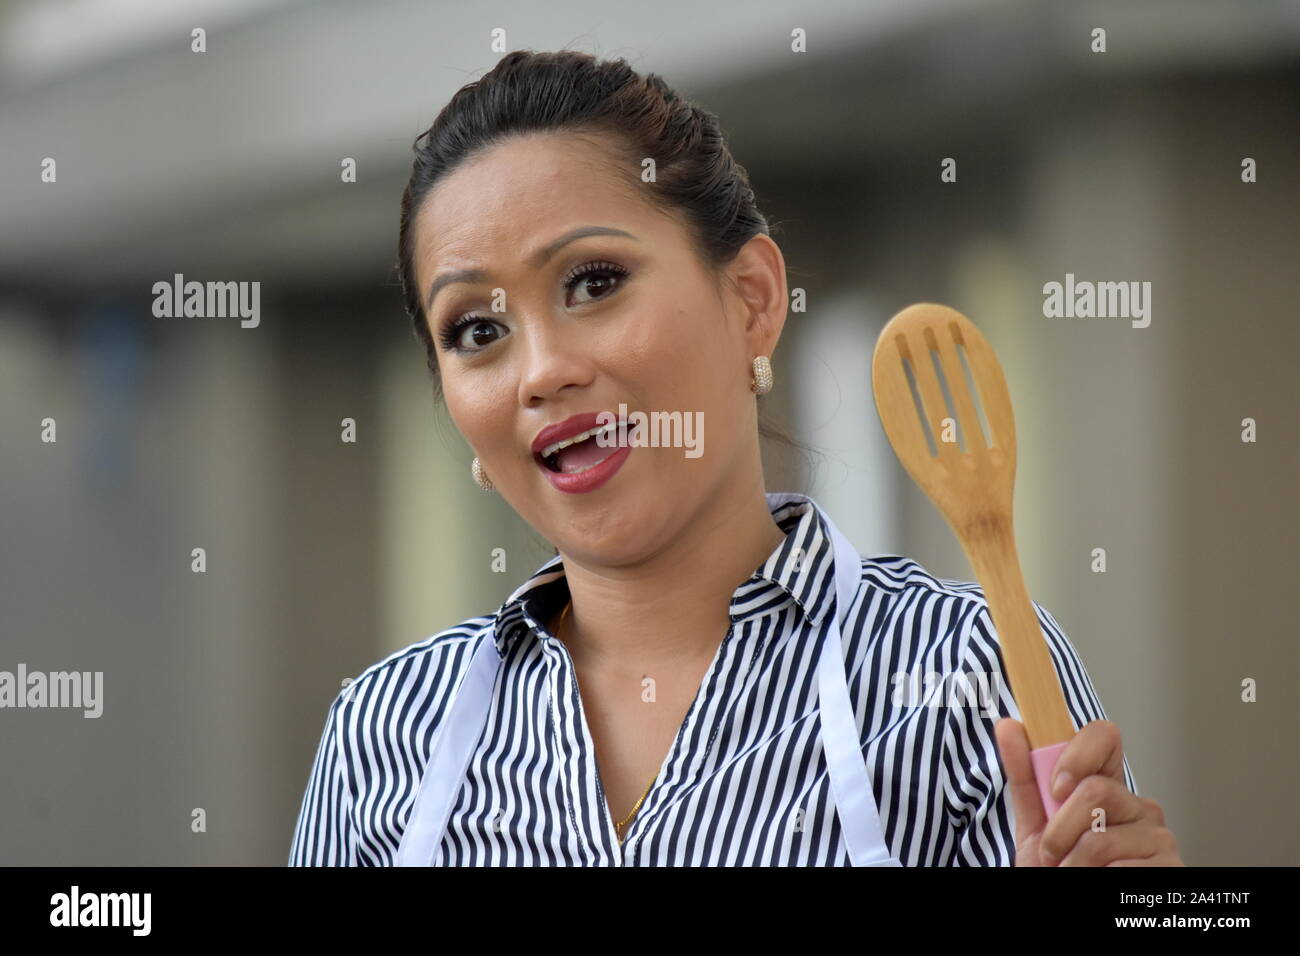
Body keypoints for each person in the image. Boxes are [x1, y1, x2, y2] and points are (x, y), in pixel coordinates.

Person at [289, 50, 1181, 867]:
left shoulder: (964, 666)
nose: (544, 371)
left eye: (594, 283)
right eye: (477, 331)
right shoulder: (388, 729)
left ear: (751, 299)